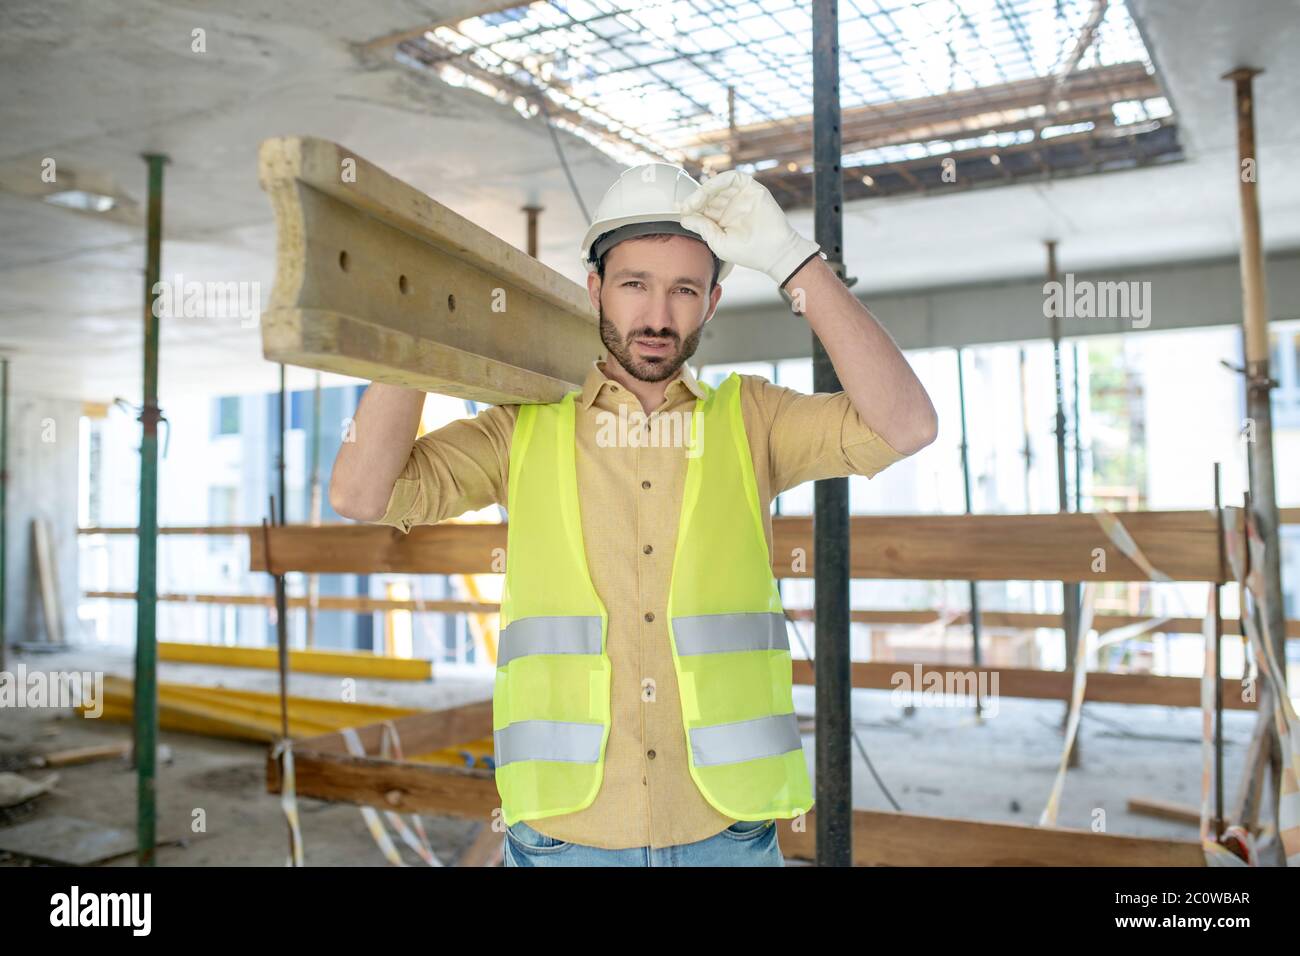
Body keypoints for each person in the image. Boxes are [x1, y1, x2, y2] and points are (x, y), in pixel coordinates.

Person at [329, 164, 938, 866]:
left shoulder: (751, 419)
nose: (657, 316)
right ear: (596, 291)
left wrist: (792, 261)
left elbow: (907, 424)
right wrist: (418, 331)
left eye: (683, 290)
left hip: (726, 832)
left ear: (712, 303)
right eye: (634, 285)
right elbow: (362, 493)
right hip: (570, 834)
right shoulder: (521, 429)